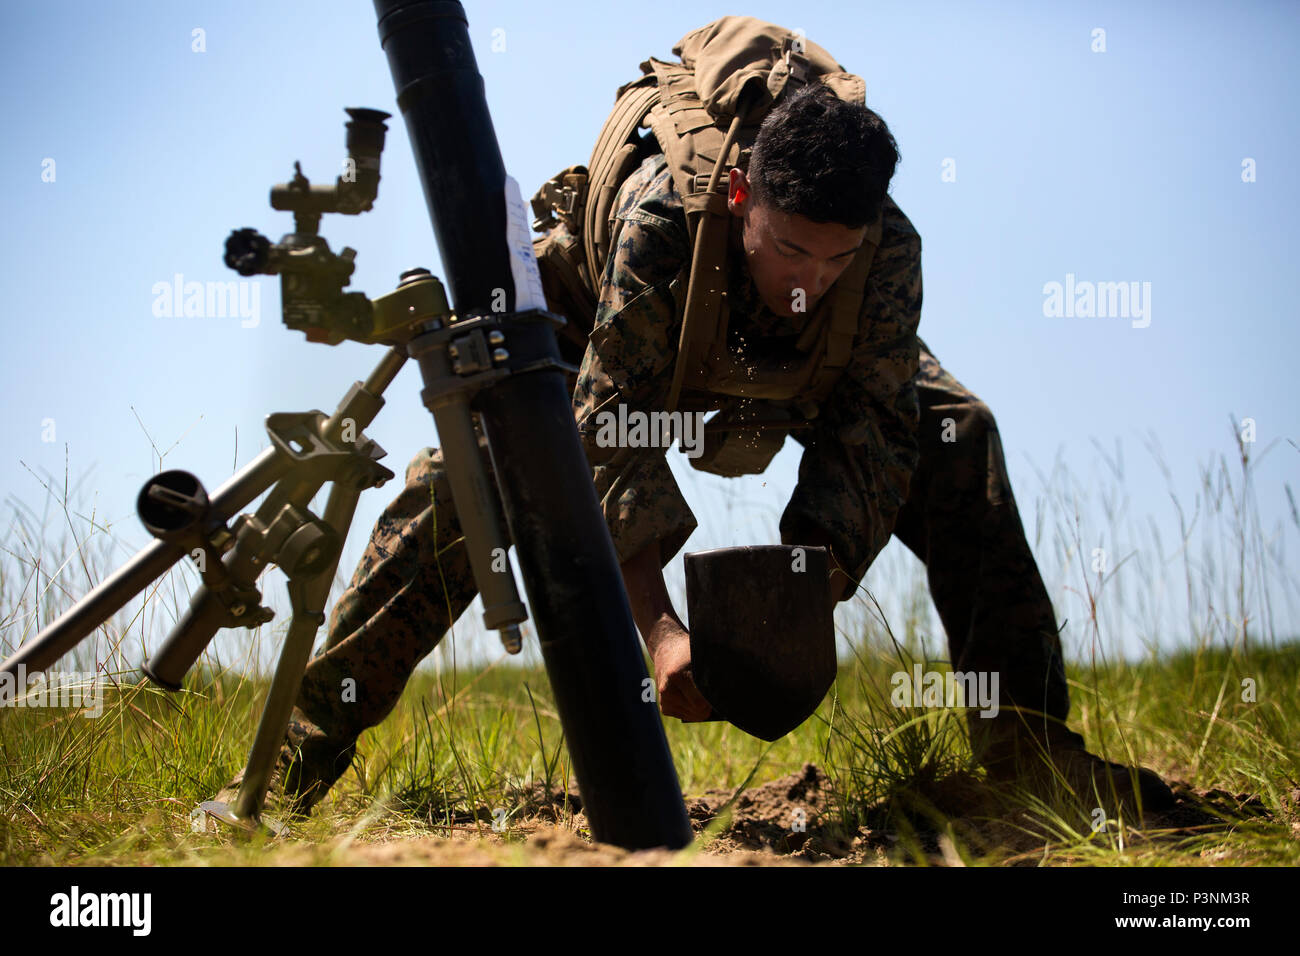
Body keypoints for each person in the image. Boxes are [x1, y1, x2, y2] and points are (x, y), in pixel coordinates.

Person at [219, 78, 1174, 821]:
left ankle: (1030, 758)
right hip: (596, 331)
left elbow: (876, 427)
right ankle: (289, 770)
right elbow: (603, 434)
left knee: (956, 434)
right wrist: (663, 632)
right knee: (467, 484)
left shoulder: (884, 251)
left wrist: (809, 586)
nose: (811, 283)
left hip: (797, 377)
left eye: (836, 260)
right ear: (740, 193)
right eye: (792, 250)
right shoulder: (665, 222)